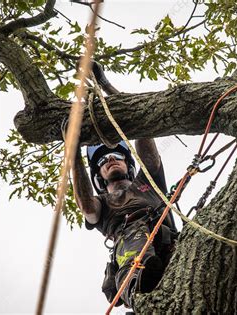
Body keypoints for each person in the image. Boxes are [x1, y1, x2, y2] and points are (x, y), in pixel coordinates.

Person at [70, 61, 178, 309]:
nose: (110, 160)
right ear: (97, 177)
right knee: (133, 249)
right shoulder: (101, 205)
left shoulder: (148, 182)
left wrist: (106, 86)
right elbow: (86, 206)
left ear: (128, 164)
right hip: (132, 247)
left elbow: (142, 128)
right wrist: (74, 151)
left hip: (169, 239)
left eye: (116, 156)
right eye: (104, 160)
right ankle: (139, 284)